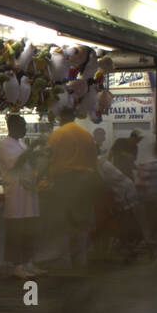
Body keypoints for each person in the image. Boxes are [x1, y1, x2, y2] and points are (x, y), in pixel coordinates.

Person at [45, 107, 98, 268]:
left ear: (62, 118)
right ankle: (81, 257)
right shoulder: (87, 135)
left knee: (64, 220)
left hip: (65, 180)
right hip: (86, 179)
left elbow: (48, 157)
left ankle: (65, 258)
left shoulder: (58, 134)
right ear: (74, 117)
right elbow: (94, 160)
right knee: (82, 220)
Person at [0, 113, 45, 279]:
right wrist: (34, 148)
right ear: (14, 127)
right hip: (16, 195)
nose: (25, 129)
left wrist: (40, 154)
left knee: (29, 230)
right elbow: (15, 163)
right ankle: (16, 265)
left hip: (29, 194)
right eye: (23, 126)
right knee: (16, 232)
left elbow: (30, 163)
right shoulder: (4, 145)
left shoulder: (22, 145)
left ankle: (28, 263)